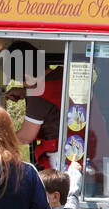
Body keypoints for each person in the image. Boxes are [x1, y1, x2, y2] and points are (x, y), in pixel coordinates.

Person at [5, 41, 65, 169]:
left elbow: (26, 137)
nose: (23, 83)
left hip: (59, 157)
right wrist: (25, 92)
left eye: (22, 80)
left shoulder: (38, 97)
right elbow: (53, 94)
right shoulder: (61, 74)